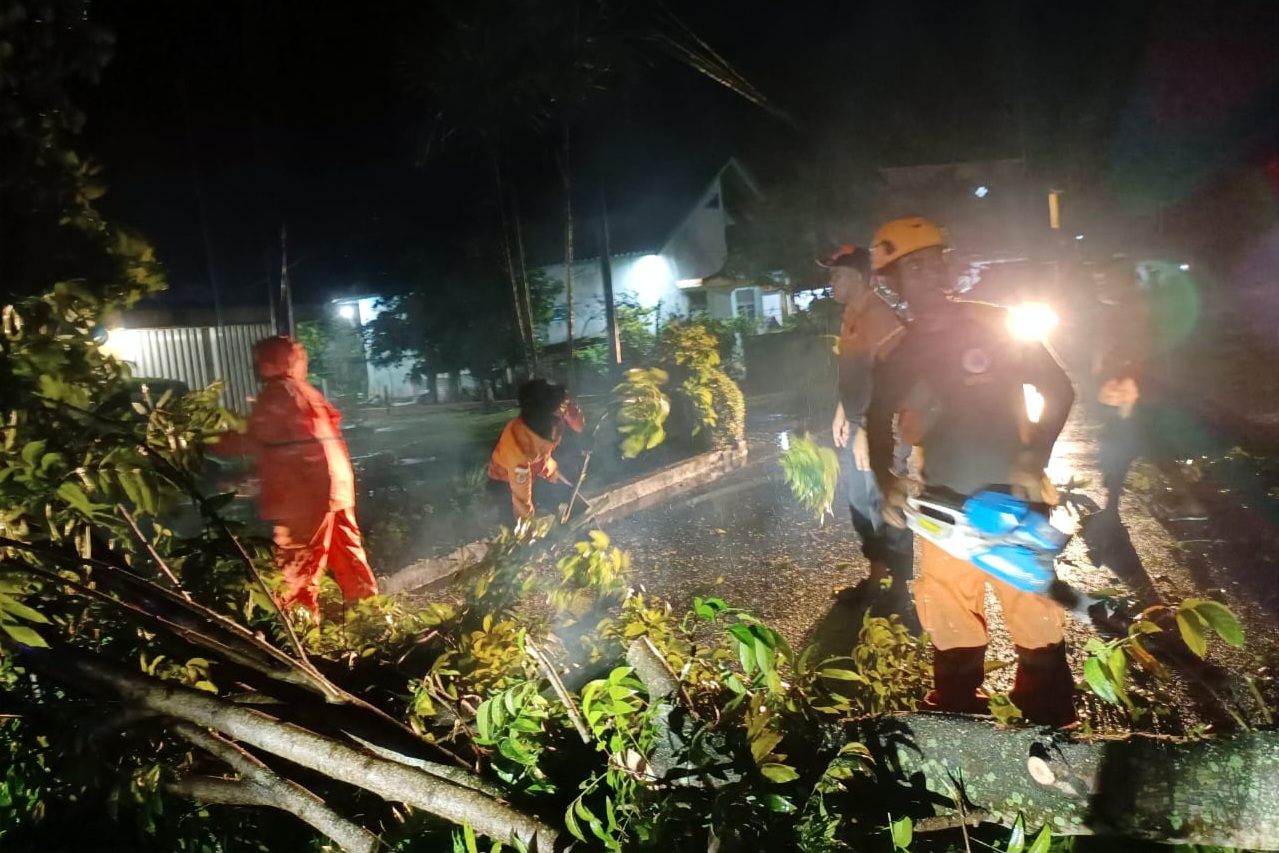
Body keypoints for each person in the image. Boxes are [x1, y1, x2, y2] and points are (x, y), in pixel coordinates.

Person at [865, 216, 1078, 727]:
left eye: (935, 260)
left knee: (1030, 605)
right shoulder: (896, 352)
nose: (930, 274)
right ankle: (959, 714)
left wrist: (1034, 455)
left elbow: (1060, 389)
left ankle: (1048, 715)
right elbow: (875, 422)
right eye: (912, 268)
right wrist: (886, 480)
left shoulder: (994, 323)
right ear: (891, 284)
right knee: (948, 609)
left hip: (1016, 498)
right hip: (941, 502)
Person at [217, 336, 377, 617]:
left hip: (306, 492)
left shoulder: (277, 393)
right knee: (349, 557)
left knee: (296, 566)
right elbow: (289, 444)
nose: (254, 365)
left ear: (269, 361)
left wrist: (199, 441)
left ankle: (300, 633)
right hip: (336, 486)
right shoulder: (306, 391)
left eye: (259, 359)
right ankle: (371, 618)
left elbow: (253, 440)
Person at [817, 245, 914, 599]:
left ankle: (901, 588)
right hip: (860, 423)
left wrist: (870, 431)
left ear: (858, 277)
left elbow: (896, 379)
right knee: (861, 502)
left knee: (887, 501)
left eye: (837, 275)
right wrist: (843, 411)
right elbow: (857, 374)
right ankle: (876, 578)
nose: (832, 282)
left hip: (882, 427)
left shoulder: (879, 315)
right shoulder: (852, 316)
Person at [1093, 258, 1206, 521]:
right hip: (1138, 390)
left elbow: (1138, 349)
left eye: (1105, 280)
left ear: (1124, 280)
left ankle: (1110, 512)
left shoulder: (1131, 310)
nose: (1101, 286)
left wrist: (1125, 380)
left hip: (1133, 392)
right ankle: (1188, 500)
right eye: (1098, 281)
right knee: (1150, 445)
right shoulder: (1130, 307)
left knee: (1119, 447)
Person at [489, 379, 585, 522]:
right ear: (543, 414)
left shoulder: (553, 411)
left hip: (541, 470)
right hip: (505, 483)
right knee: (517, 527)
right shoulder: (519, 445)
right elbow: (521, 496)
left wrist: (577, 419)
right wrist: (526, 530)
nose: (562, 412)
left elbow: (578, 423)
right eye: (558, 408)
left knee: (578, 508)